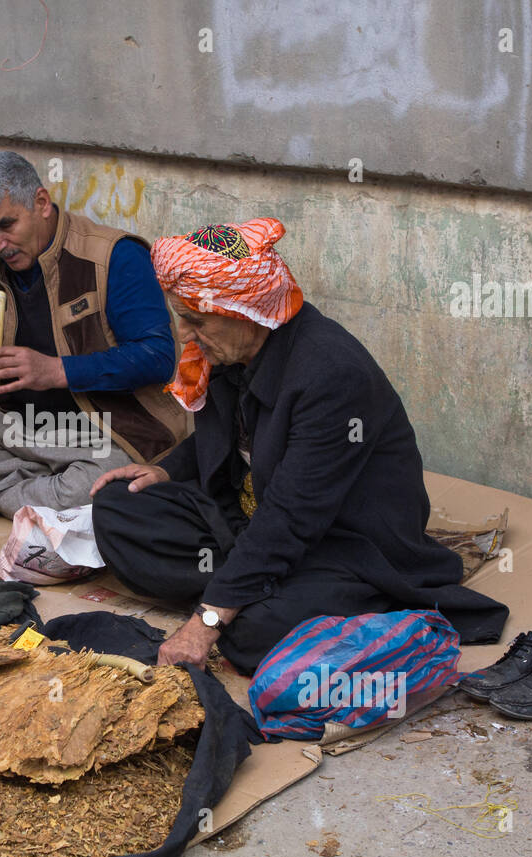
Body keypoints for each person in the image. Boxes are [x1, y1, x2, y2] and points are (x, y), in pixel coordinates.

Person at [91, 218, 509, 672]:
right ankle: (250, 582)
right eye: (182, 320)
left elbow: (293, 516)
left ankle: (269, 592)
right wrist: (168, 469)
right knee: (117, 506)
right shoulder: (233, 349)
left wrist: (206, 621)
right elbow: (227, 439)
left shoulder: (331, 374)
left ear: (242, 312)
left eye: (195, 321)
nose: (186, 336)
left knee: (250, 636)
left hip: (341, 542)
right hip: (254, 519)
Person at [0, 151, 185, 516]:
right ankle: (42, 489)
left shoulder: (114, 256)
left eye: (5, 225)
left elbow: (159, 358)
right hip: (23, 431)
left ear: (41, 203)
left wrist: (57, 371)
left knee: (105, 479)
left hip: (104, 431)